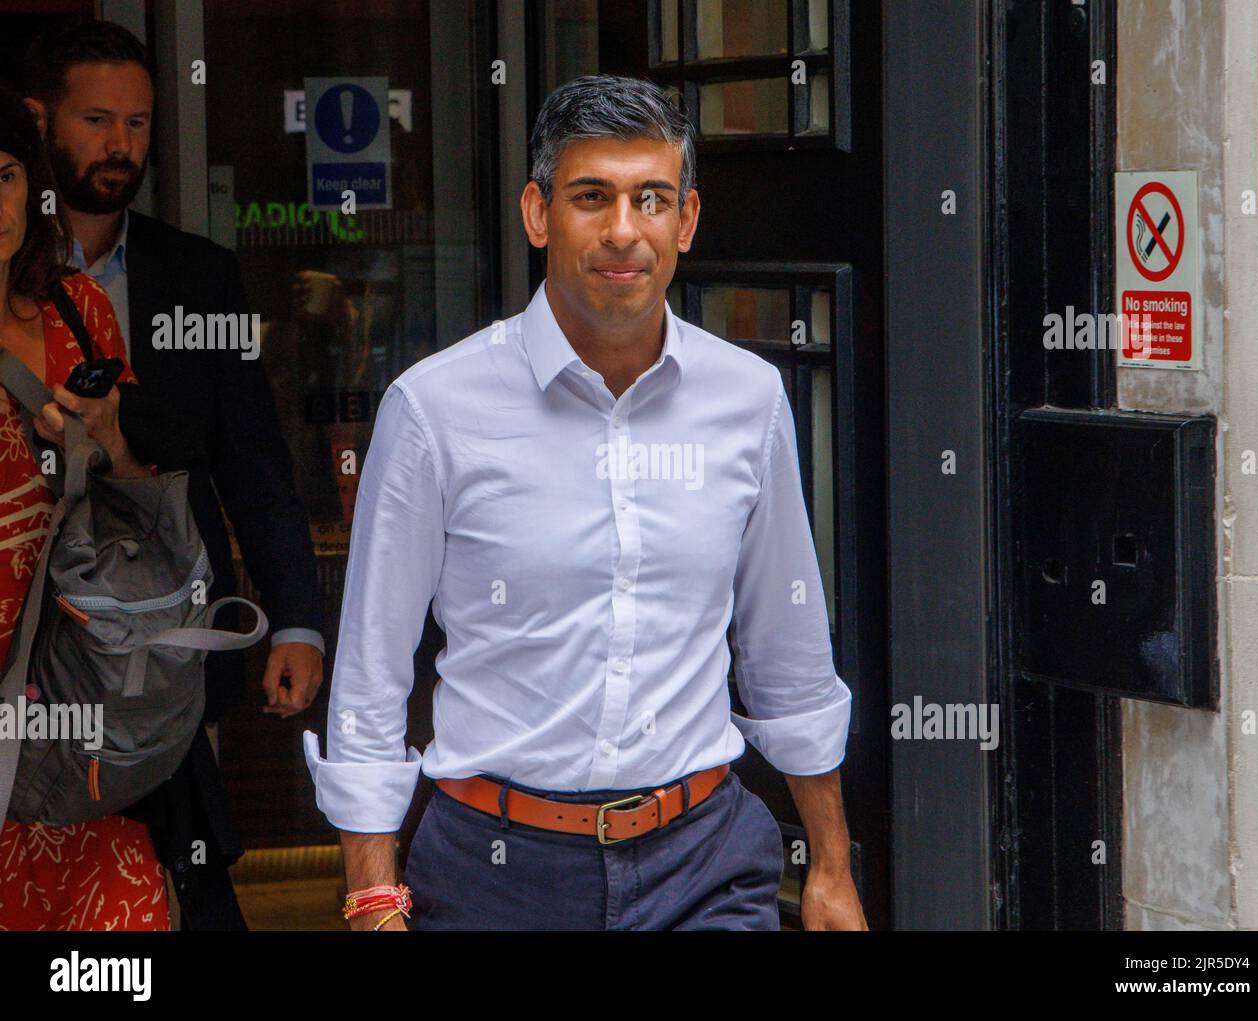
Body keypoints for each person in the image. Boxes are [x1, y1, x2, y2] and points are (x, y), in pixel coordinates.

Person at [306, 75, 869, 931]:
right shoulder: (434, 409)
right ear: (538, 214)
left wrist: (829, 864)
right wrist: (372, 896)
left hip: (704, 861)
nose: (622, 231)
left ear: (685, 220)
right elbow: (371, 673)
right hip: (496, 874)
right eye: (590, 197)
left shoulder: (748, 399)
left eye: (651, 199)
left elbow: (785, 652)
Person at [22, 20, 328, 930]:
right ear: (38, 124)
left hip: (160, 643)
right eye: (97, 120)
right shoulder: (8, 280)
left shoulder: (199, 276)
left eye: (140, 124)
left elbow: (253, 458)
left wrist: (298, 617)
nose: (122, 146)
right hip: (27, 649)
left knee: (178, 881)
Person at [0, 87, 166, 930]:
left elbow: (134, 499)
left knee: (117, 928)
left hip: (66, 683)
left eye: (2, 176)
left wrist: (108, 441)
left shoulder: (77, 307)